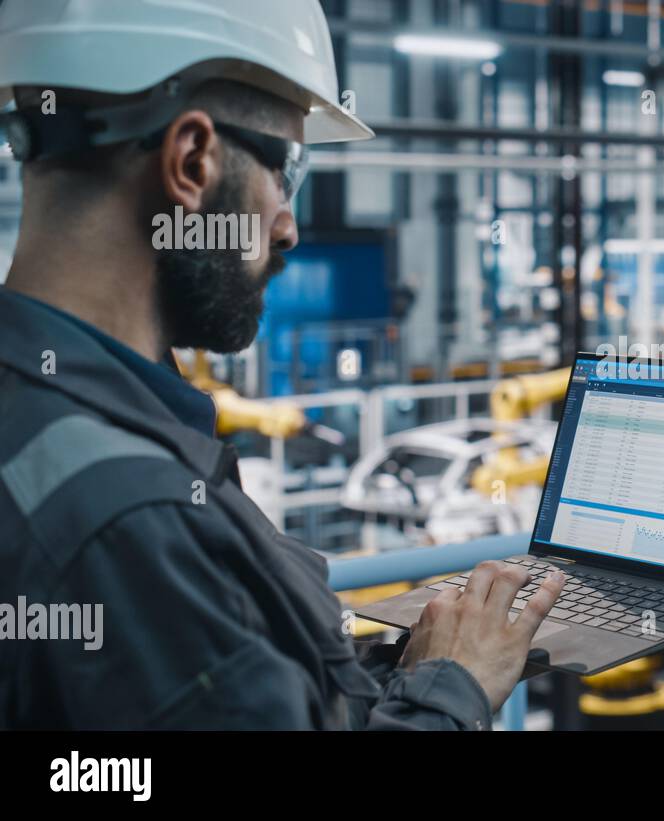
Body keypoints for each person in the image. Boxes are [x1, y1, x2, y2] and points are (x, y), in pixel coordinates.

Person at [0, 0, 564, 729]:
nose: (289, 227)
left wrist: (410, 672)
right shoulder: (134, 523)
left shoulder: (57, 419)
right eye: (286, 172)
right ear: (192, 160)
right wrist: (455, 688)